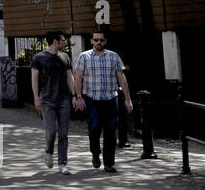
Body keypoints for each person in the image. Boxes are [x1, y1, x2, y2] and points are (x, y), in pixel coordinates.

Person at [74, 30, 132, 172]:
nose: (98, 42)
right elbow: (78, 78)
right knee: (94, 130)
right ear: (91, 41)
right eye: (96, 40)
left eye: (101, 40)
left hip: (110, 99)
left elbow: (121, 78)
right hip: (92, 99)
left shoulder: (114, 56)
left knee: (110, 132)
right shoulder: (84, 57)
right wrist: (79, 97)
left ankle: (109, 163)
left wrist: (128, 100)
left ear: (105, 41)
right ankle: (95, 153)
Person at [31, 30, 80, 175]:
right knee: (51, 131)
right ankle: (49, 151)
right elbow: (34, 78)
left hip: (64, 99)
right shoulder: (39, 58)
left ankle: (62, 163)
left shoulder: (65, 57)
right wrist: (36, 97)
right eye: (63, 40)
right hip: (47, 100)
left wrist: (75, 95)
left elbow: (69, 77)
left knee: (63, 134)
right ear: (55, 41)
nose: (64, 42)